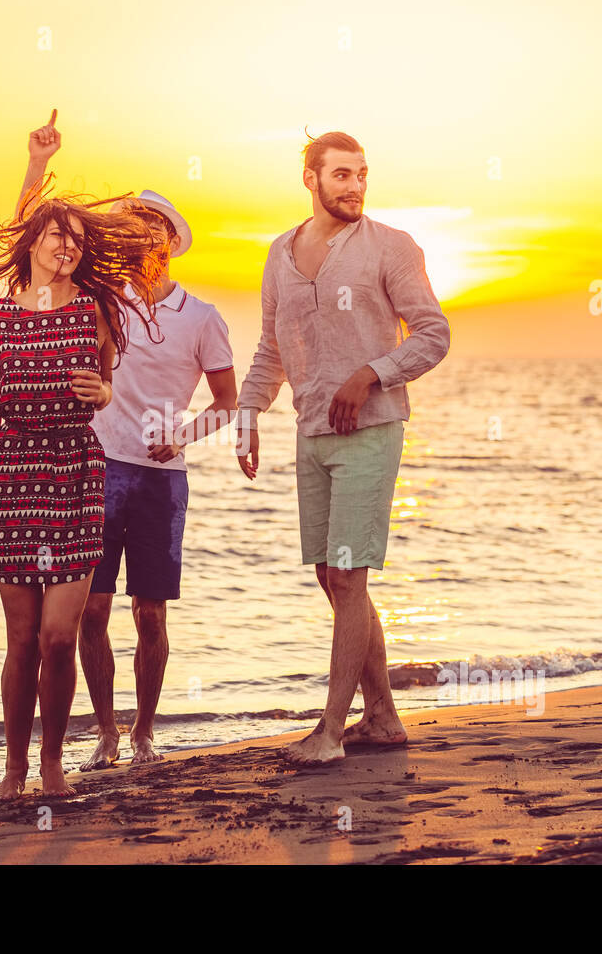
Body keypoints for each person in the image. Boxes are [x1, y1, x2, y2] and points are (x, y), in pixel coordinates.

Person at [17, 123, 238, 770]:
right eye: (132, 223)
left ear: (171, 241)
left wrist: (184, 434)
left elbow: (228, 403)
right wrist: (38, 162)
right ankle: (107, 734)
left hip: (161, 483)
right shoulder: (100, 300)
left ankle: (143, 732)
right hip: (97, 468)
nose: (141, 233)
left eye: (152, 225)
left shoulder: (201, 318)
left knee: (150, 617)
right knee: (90, 612)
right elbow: (36, 235)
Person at [0, 111, 164, 800]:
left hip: (76, 475)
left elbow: (106, 387)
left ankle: (53, 763)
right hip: (13, 478)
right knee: (20, 641)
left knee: (56, 636)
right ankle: (14, 772)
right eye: (57, 237)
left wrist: (102, 390)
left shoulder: (97, 307)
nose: (68, 248)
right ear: (36, 241)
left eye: (76, 240)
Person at [235, 130, 451, 766]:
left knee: (350, 576)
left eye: (361, 174)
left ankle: (329, 731)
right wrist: (248, 411)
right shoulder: (279, 254)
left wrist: (371, 373)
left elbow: (434, 334)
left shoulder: (391, 247)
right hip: (311, 432)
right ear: (310, 178)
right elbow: (271, 349)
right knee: (333, 579)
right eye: (341, 175)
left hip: (372, 430)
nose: (355, 186)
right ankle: (382, 717)